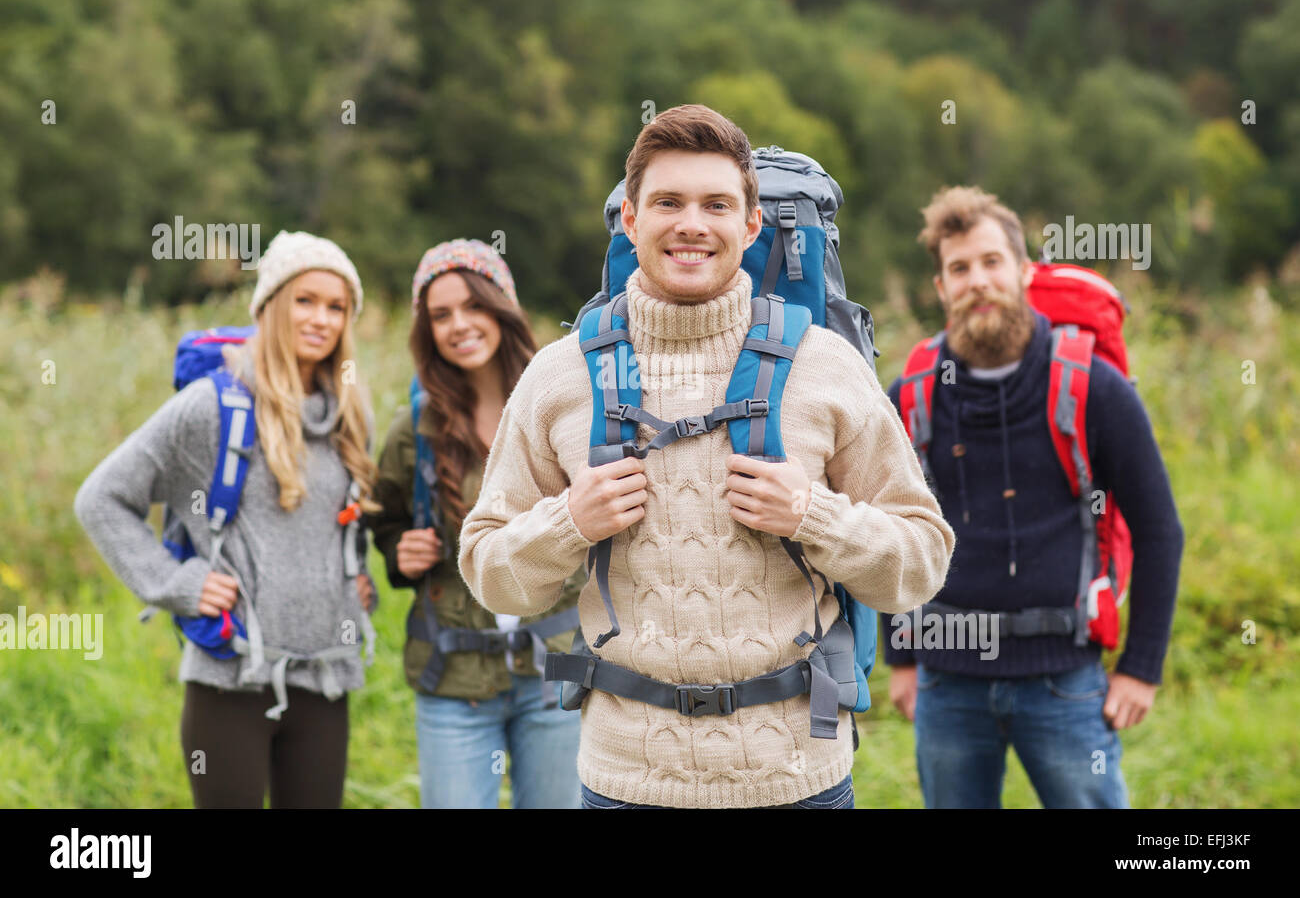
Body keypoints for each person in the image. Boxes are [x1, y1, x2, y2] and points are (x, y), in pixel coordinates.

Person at [458, 104, 954, 809]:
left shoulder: (825, 366)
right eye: (668, 202)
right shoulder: (560, 376)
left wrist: (813, 515)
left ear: (750, 226)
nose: (692, 223)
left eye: (716, 204)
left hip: (796, 780)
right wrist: (570, 521)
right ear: (630, 220)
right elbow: (490, 574)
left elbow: (922, 562)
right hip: (626, 782)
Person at [883, 186, 1184, 808]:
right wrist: (902, 656)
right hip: (947, 680)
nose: (978, 281)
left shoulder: (1093, 387)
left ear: (1023, 272)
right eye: (960, 268)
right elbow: (890, 529)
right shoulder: (911, 394)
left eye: (992, 262)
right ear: (940, 287)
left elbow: (1159, 530)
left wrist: (1142, 666)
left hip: (1065, 680)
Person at [75, 231, 378, 808]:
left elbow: (336, 523)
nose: (321, 318)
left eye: (336, 307)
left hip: (325, 676)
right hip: (230, 679)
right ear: (269, 305)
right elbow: (101, 497)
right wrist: (177, 584)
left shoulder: (347, 412)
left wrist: (353, 581)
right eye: (304, 300)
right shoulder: (213, 406)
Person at [367, 239, 584, 809]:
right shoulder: (414, 429)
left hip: (554, 672)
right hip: (453, 679)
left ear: (502, 308)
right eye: (440, 315)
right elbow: (383, 518)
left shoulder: (561, 408)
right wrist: (398, 551)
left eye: (473, 305)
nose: (459, 325)